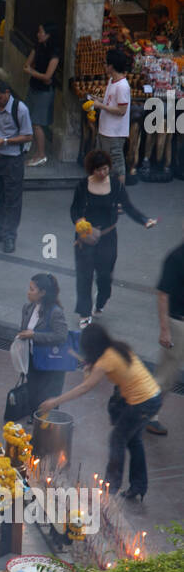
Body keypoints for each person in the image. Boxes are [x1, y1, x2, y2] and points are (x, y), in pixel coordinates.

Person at [39, 323, 162, 503]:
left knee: (117, 439)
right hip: (152, 397)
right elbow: (92, 378)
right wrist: (89, 368)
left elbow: (86, 387)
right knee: (134, 440)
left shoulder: (105, 360)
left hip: (141, 402)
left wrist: (55, 401)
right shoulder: (117, 348)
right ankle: (138, 486)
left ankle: (110, 487)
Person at [70, 149, 157, 329]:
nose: (102, 173)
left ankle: (102, 300)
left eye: (105, 169)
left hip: (107, 237)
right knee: (83, 276)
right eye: (98, 170)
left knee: (104, 276)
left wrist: (144, 220)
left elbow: (128, 207)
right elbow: (75, 209)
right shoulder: (82, 185)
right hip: (85, 237)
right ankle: (84, 313)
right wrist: (79, 222)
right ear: (91, 170)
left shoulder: (116, 185)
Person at [0, 80, 33, 253]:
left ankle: (10, 235)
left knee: (13, 198)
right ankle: (1, 229)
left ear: (7, 92)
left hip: (13, 159)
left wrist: (6, 141)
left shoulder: (20, 109)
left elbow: (28, 136)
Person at [146, 222, 184, 435]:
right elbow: (163, 294)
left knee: (168, 374)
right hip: (177, 323)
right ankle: (148, 414)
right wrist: (164, 330)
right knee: (166, 375)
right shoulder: (176, 258)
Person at [15, 273, 70, 415]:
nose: (28, 292)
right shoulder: (27, 308)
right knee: (33, 391)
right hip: (34, 359)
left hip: (51, 363)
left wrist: (34, 335)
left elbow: (61, 336)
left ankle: (45, 428)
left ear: (42, 293)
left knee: (47, 399)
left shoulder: (55, 312)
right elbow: (24, 329)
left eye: (32, 289)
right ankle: (34, 418)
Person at [89, 48, 131, 180]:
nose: (104, 66)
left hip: (115, 133)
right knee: (103, 163)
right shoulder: (111, 81)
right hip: (105, 130)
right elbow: (111, 103)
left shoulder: (122, 86)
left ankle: (119, 196)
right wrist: (99, 100)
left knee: (117, 166)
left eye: (105, 63)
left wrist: (100, 105)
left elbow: (121, 111)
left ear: (111, 66)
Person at [24, 21, 61, 165]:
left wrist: (33, 72)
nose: (38, 34)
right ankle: (33, 148)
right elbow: (27, 66)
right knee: (29, 119)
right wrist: (37, 74)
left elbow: (48, 76)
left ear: (49, 35)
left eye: (41, 32)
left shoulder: (54, 53)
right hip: (34, 87)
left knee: (37, 123)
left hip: (44, 92)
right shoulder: (38, 47)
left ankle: (41, 154)